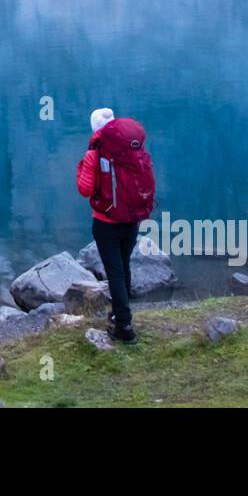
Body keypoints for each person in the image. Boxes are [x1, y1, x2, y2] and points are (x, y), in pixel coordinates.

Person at [76, 107, 157, 343]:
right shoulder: (133, 150)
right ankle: (121, 316)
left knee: (115, 273)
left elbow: (84, 189)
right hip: (132, 218)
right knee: (123, 266)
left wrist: (81, 166)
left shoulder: (95, 155)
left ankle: (124, 325)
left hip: (106, 222)